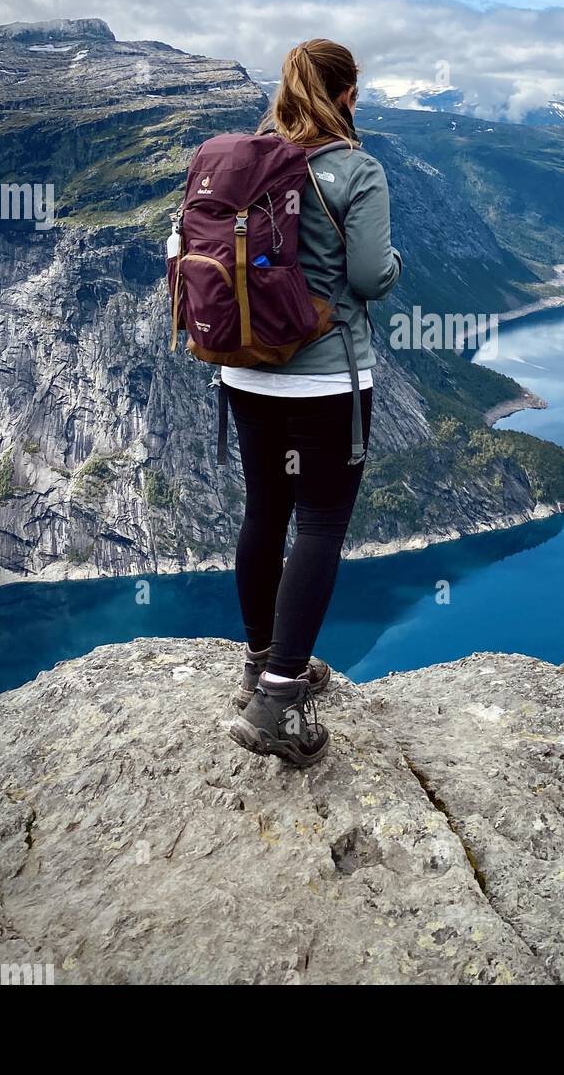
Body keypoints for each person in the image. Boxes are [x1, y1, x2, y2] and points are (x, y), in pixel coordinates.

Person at [226, 39, 400, 767]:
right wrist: (394, 264)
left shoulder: (248, 162)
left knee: (265, 512)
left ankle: (260, 662)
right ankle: (278, 696)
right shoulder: (356, 168)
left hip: (243, 371)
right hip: (325, 378)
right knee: (321, 523)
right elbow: (368, 275)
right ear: (349, 95)